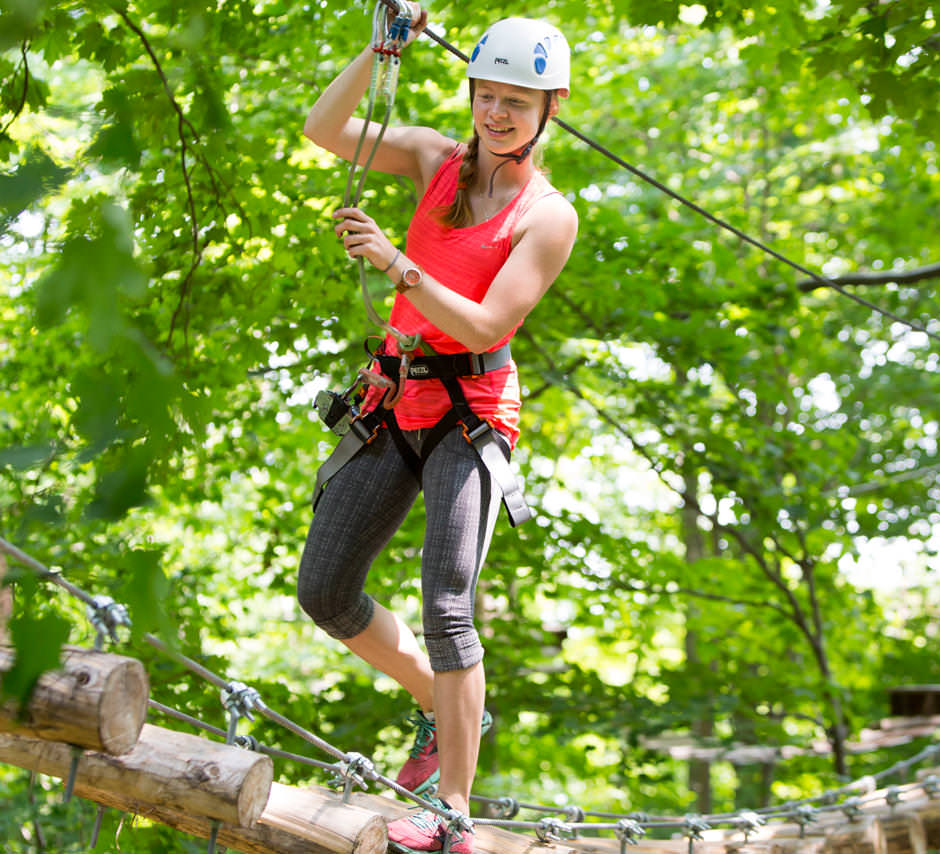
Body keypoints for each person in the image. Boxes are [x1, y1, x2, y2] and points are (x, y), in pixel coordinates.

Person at [297, 7, 578, 854]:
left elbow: (489, 324)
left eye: (516, 103)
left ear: (548, 110)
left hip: (472, 413)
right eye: (486, 97)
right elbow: (324, 129)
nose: (497, 114)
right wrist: (380, 48)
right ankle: (438, 700)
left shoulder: (547, 216)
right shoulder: (432, 161)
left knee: (447, 603)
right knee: (325, 589)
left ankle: (452, 807)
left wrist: (395, 263)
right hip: (397, 397)